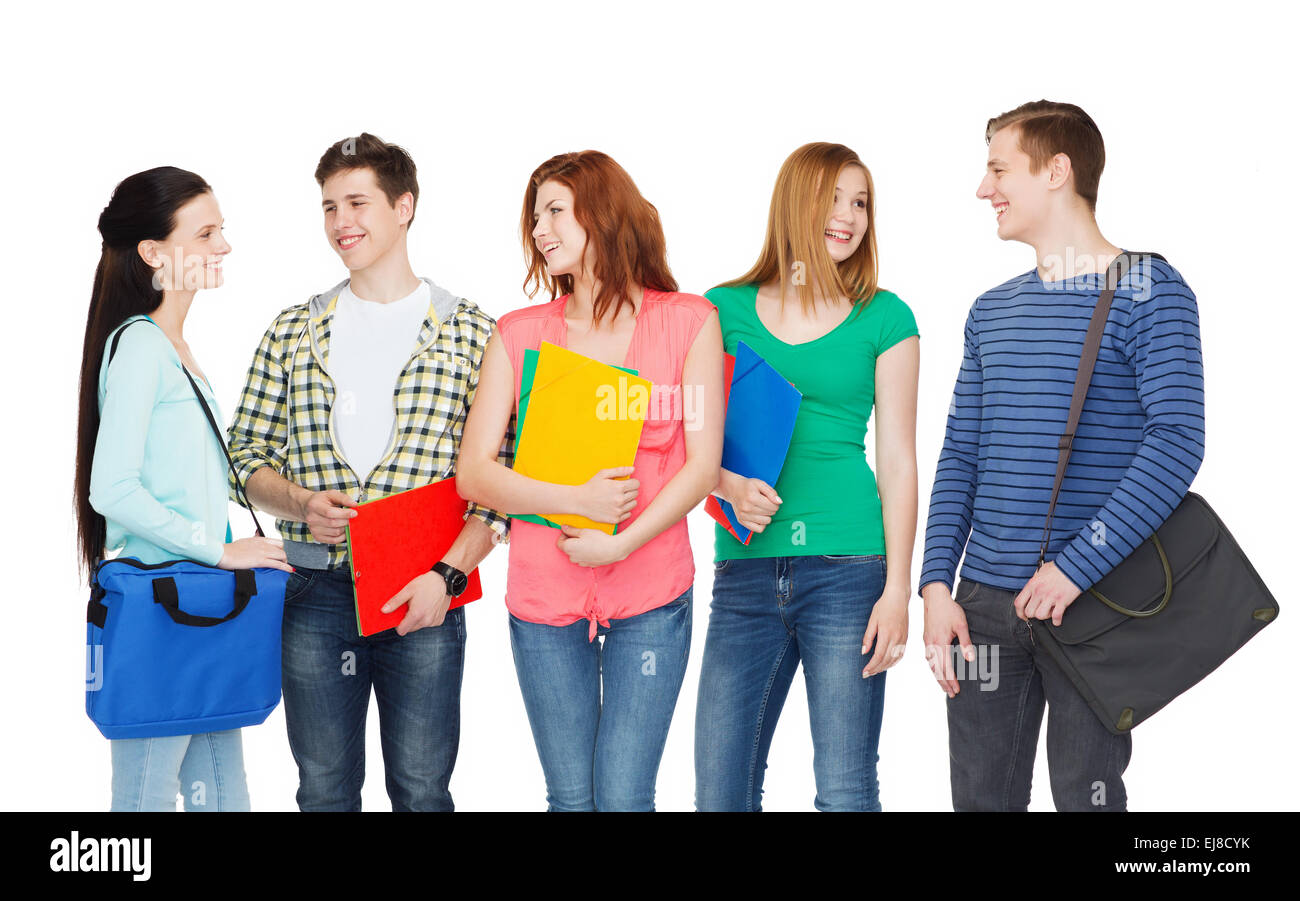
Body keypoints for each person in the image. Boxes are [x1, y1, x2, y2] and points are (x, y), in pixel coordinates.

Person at [919, 100, 1206, 811]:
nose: (983, 189)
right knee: (980, 801)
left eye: (998, 170)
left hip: (1095, 603)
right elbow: (961, 455)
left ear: (1056, 171)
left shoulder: (1149, 289)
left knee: (1089, 799)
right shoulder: (990, 311)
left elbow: (1176, 440)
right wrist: (936, 585)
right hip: (983, 608)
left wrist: (1075, 567)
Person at [225, 134, 510, 811]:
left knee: (422, 790)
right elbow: (243, 456)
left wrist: (448, 577)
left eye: (357, 203)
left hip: (426, 587)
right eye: (329, 207)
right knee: (324, 790)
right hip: (314, 592)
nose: (340, 222)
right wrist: (297, 499)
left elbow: (500, 482)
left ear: (403, 207)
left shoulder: (474, 333)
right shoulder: (293, 330)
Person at [456, 150, 724, 811]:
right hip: (545, 596)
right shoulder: (518, 334)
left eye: (554, 211)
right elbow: (474, 473)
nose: (539, 230)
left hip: (652, 591)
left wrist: (619, 542)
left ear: (602, 212)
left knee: (625, 797)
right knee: (572, 799)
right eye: (534, 216)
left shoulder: (689, 321)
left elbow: (701, 465)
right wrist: (574, 501)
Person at [693, 143, 920, 812]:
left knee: (846, 790)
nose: (849, 216)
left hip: (850, 569)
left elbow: (899, 459)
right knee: (720, 791)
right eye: (834, 199)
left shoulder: (887, 317)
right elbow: (681, 440)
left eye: (861, 203)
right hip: (744, 571)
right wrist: (727, 486)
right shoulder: (720, 311)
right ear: (796, 203)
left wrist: (897, 590)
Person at [76, 166, 291, 811]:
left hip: (198, 603)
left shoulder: (174, 347)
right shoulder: (142, 347)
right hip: (163, 603)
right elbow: (112, 489)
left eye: (221, 229)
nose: (224, 246)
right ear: (153, 252)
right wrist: (221, 551)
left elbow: (194, 479)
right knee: (144, 800)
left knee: (224, 796)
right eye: (205, 233)